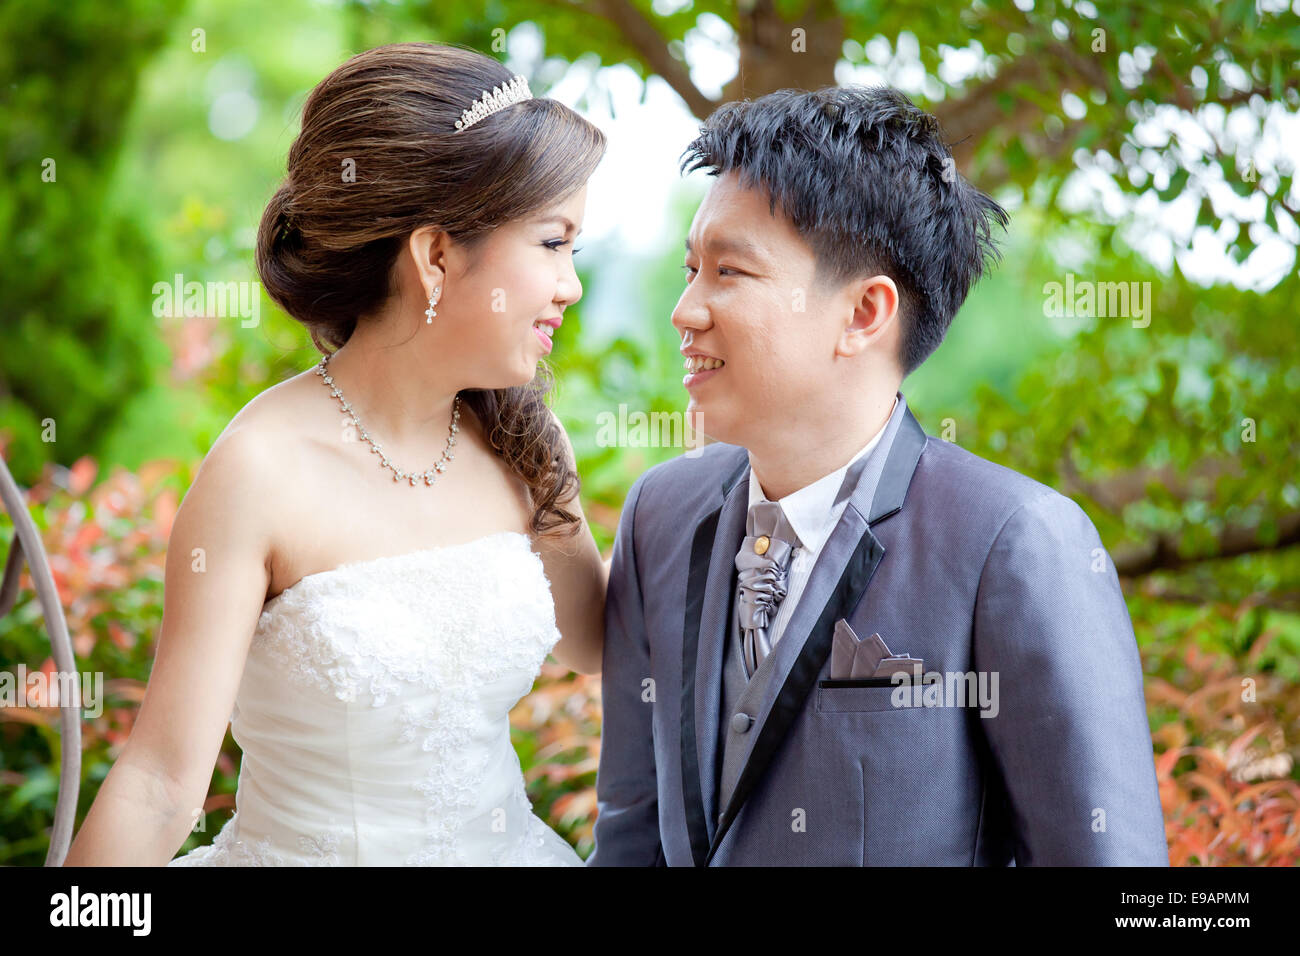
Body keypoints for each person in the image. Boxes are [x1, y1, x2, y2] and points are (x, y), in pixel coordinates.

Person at [590, 85, 1170, 866]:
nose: (686, 309)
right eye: (693, 268)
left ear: (864, 313)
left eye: (729, 272)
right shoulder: (660, 512)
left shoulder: (1014, 542)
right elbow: (631, 839)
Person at [63, 42, 607, 866]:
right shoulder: (260, 471)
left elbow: (602, 647)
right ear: (435, 256)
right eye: (552, 243)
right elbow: (161, 783)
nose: (570, 285)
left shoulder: (527, 444)